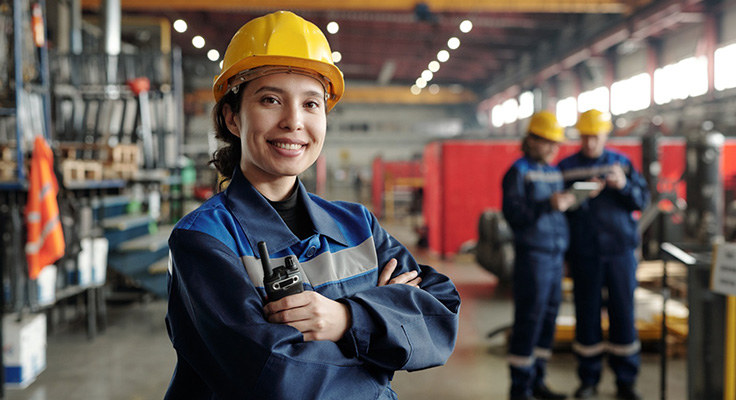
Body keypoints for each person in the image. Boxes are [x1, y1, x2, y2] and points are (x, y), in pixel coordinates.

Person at [163, 11, 460, 400]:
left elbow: (441, 316)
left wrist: (348, 319)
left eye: (311, 104)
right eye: (270, 100)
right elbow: (277, 380)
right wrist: (384, 331)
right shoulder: (203, 241)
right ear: (233, 117)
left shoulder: (358, 225)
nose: (293, 121)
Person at [557, 109, 650, 400]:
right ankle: (589, 379)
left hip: (620, 251)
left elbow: (642, 199)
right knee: (587, 315)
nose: (590, 142)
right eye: (585, 136)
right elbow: (561, 213)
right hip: (585, 253)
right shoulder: (566, 167)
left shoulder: (620, 163)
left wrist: (623, 184)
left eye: (595, 137)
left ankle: (626, 380)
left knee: (623, 313)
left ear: (605, 136)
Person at [502, 111, 576, 400]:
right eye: (547, 142)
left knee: (548, 319)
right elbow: (514, 216)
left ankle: (537, 381)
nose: (552, 149)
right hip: (533, 255)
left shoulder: (554, 171)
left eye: (555, 144)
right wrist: (548, 205)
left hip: (555, 254)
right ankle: (520, 389)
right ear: (531, 140)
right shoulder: (518, 172)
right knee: (530, 318)